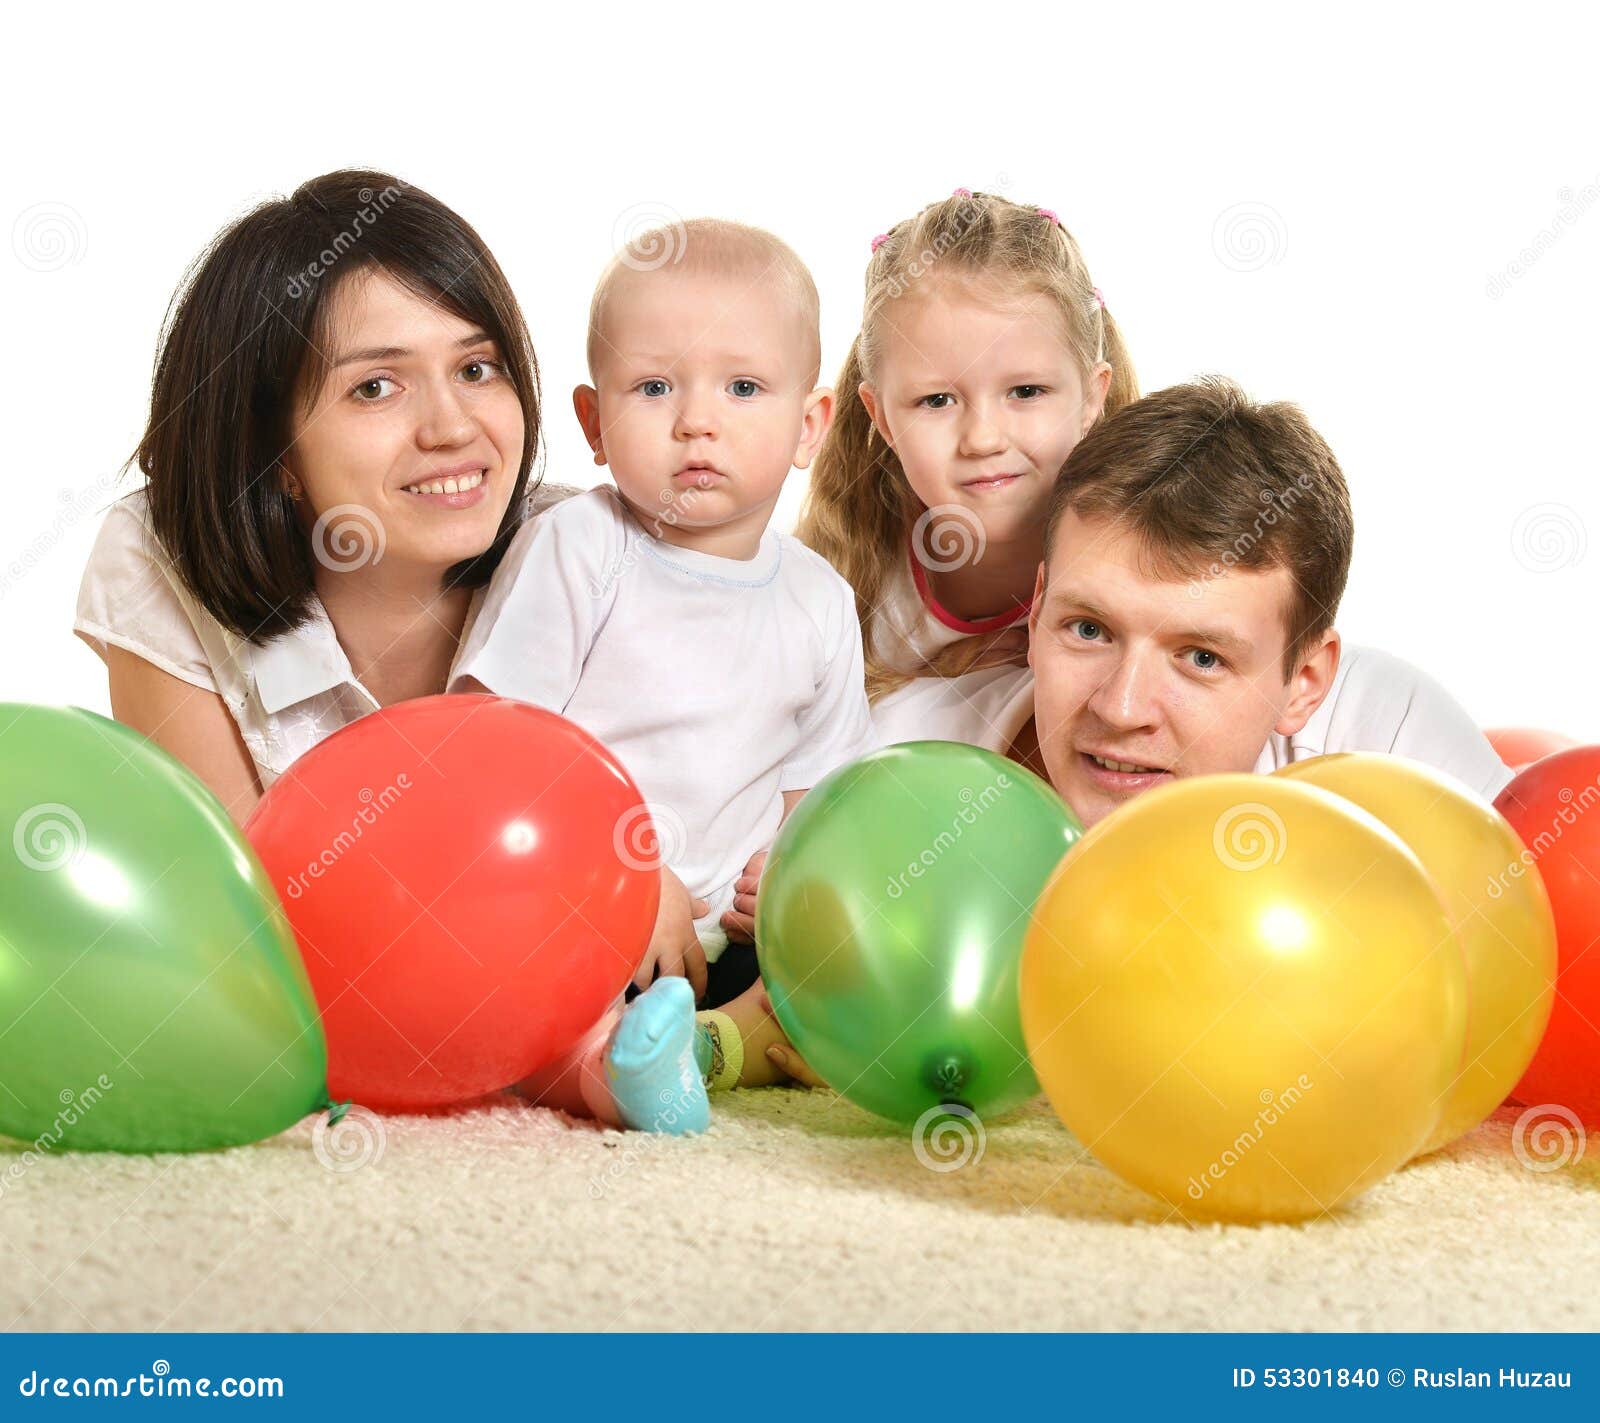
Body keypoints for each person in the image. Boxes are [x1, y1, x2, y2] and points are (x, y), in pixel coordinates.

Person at [74, 170, 705, 1133]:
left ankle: (618, 1070)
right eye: (375, 386)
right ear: (271, 447)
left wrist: (646, 869)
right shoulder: (161, 560)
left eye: (478, 368)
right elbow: (247, 932)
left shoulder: (585, 550)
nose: (453, 428)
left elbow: (678, 782)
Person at [451, 217, 877, 1089]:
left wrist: (789, 875)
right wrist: (624, 872)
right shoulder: (581, 545)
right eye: (653, 387)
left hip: (733, 935)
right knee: (515, 977)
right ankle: (607, 1064)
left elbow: (820, 791)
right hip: (584, 902)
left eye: (743, 387)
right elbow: (490, 741)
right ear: (593, 422)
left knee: (848, 963)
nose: (697, 423)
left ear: (810, 425)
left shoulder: (820, 599)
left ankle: (711, 1045)